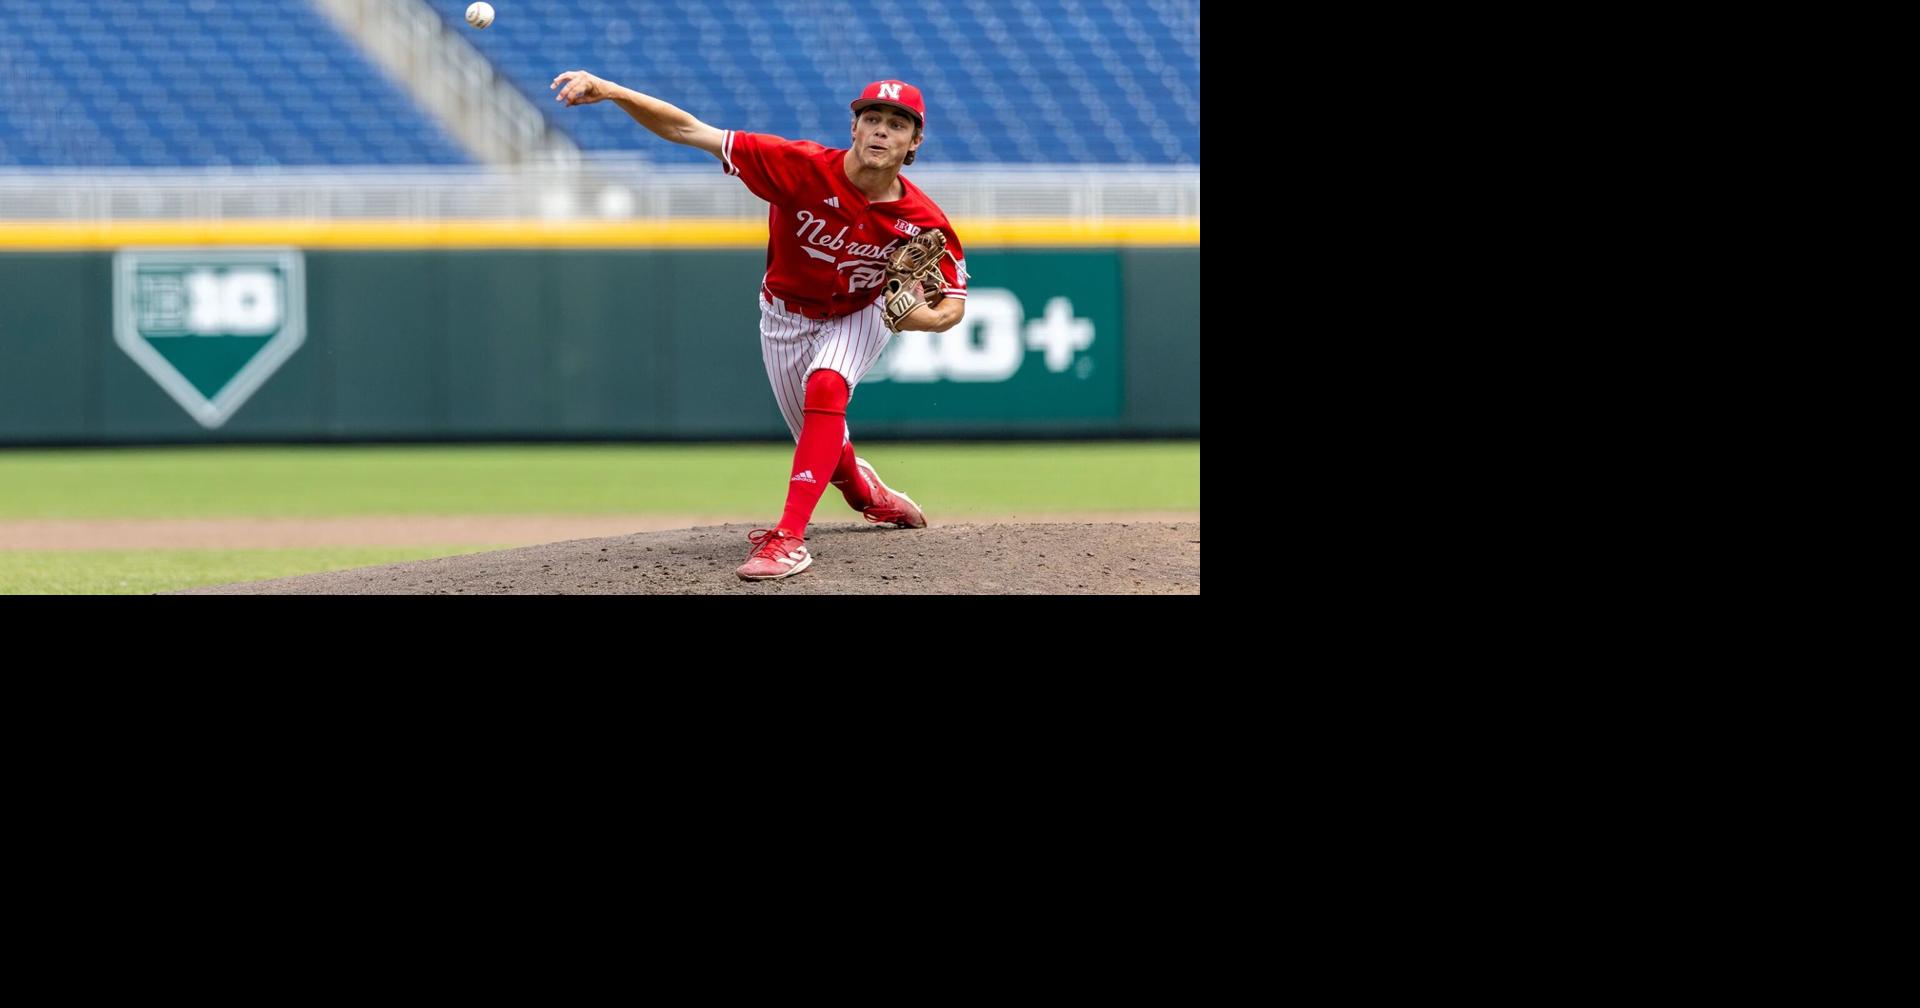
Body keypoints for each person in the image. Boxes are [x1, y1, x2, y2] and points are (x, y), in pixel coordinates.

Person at [551, 72, 968, 582]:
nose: (882, 130)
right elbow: (688, 130)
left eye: (897, 124)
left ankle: (788, 539)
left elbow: (951, 307)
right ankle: (867, 493)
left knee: (827, 384)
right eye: (872, 118)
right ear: (854, 128)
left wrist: (921, 318)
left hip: (861, 313)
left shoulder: (923, 219)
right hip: (784, 317)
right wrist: (613, 91)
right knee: (829, 454)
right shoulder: (797, 166)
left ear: (915, 141)